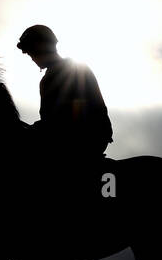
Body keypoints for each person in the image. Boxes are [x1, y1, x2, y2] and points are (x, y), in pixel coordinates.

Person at [16, 25, 112, 202]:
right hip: (73, 136)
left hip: (83, 139)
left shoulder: (68, 70)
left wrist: (38, 129)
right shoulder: (50, 77)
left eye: (31, 53)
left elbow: (67, 116)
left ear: (40, 47)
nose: (32, 59)